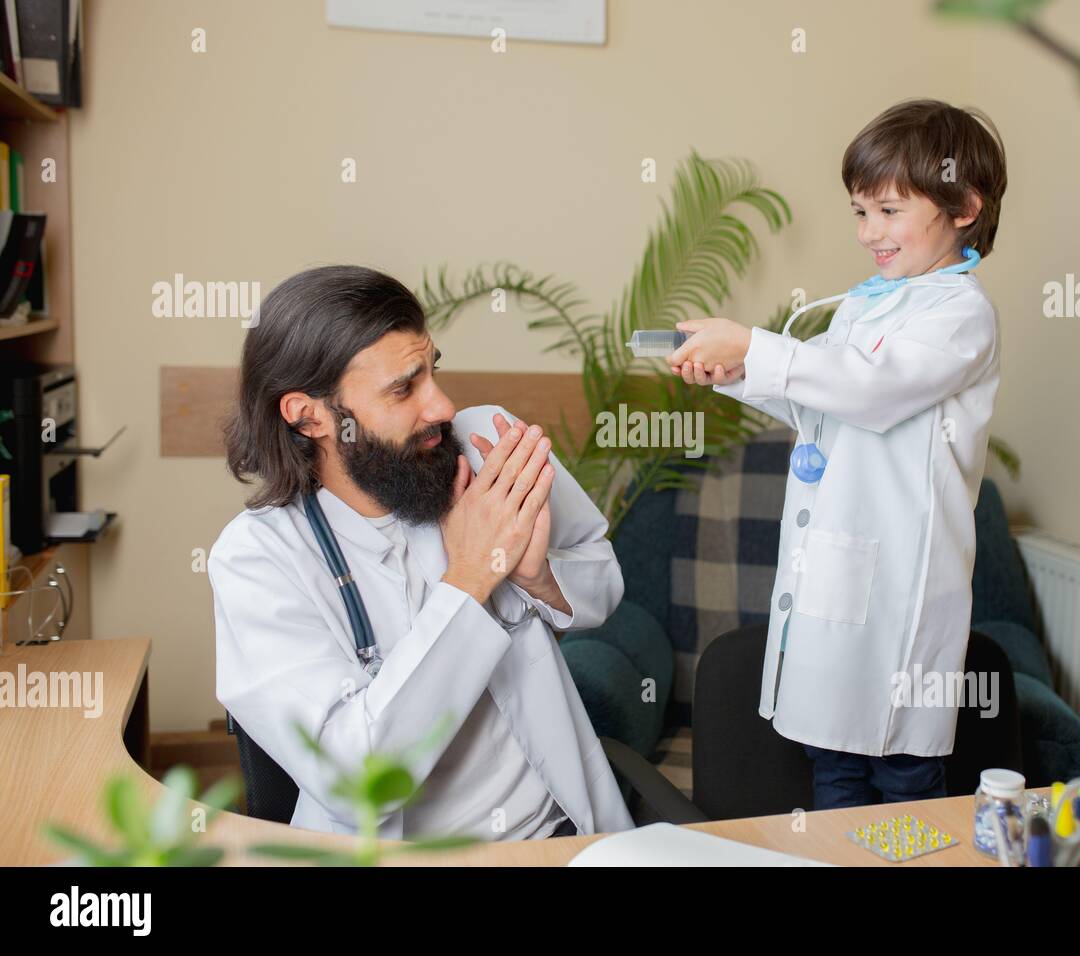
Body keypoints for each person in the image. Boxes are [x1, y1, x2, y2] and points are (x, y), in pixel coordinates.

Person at [210, 264, 634, 840]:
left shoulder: (489, 448)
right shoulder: (257, 560)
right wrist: (471, 578)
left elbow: (603, 584)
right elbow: (358, 784)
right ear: (308, 415)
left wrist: (539, 578)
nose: (441, 405)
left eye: (433, 370)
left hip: (555, 835)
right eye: (403, 388)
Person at [668, 99, 1007, 810]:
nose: (868, 233)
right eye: (860, 213)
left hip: (903, 592)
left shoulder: (960, 314)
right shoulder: (867, 305)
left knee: (903, 774)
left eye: (888, 211)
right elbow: (818, 397)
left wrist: (758, 347)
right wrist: (733, 372)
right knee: (832, 766)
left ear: (964, 206)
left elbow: (874, 389)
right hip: (835, 577)